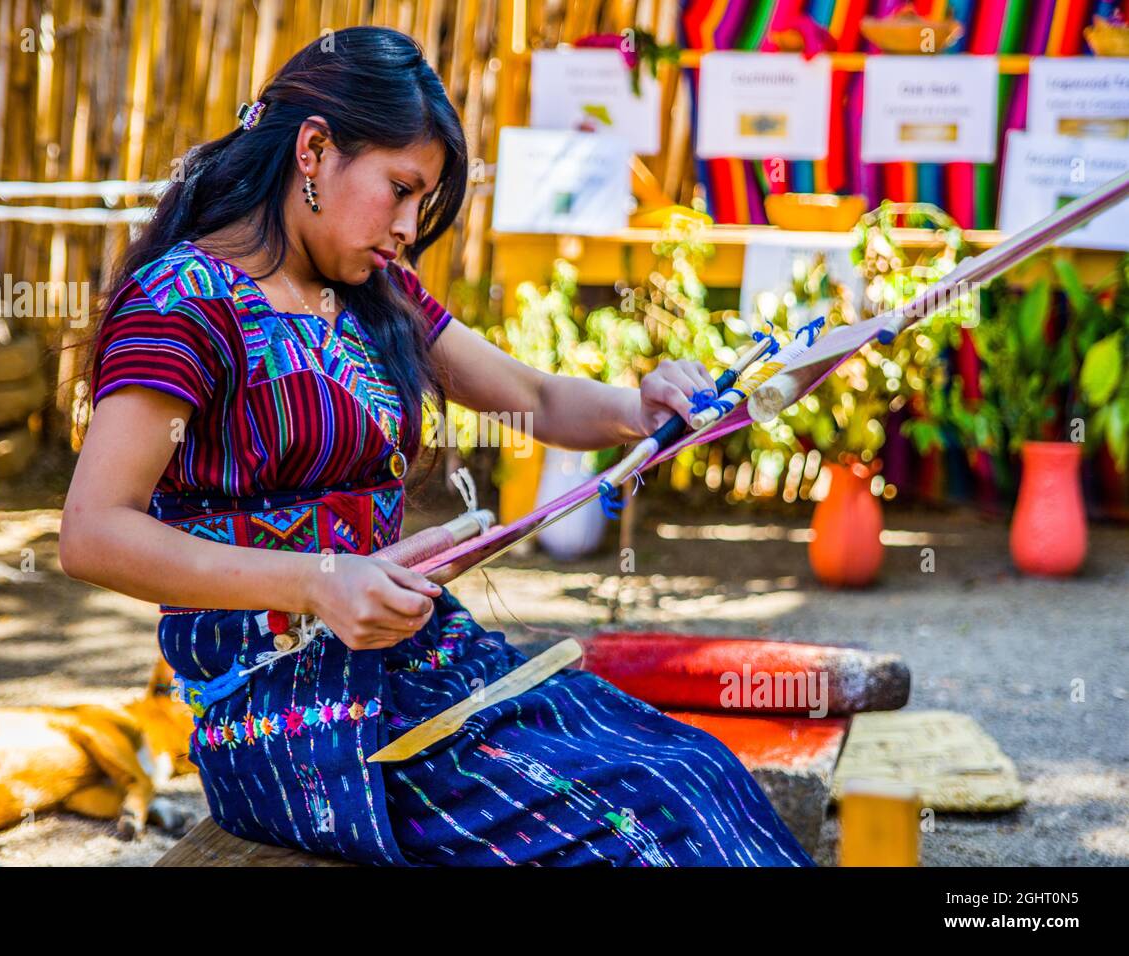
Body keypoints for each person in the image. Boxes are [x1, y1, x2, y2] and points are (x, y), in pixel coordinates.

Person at [60, 25, 814, 867]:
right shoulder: (182, 306)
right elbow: (95, 532)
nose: (410, 227)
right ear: (314, 150)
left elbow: (533, 397)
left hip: (417, 665)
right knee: (641, 826)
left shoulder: (372, 292)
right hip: (290, 719)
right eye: (401, 189)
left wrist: (643, 408)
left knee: (694, 772)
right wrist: (316, 581)